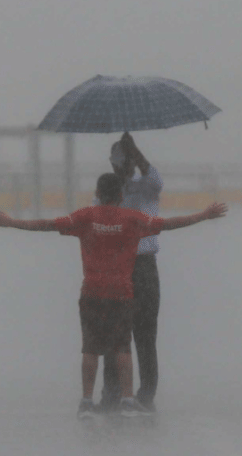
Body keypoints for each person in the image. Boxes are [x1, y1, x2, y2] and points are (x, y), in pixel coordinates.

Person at [0, 172, 226, 420]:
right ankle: (127, 400)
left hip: (92, 292)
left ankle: (87, 402)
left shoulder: (85, 217)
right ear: (121, 195)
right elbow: (167, 224)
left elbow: (46, 225)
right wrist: (203, 216)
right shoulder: (133, 219)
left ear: (98, 194)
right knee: (122, 348)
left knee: (90, 349)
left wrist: (11, 222)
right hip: (121, 294)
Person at [100, 132, 163, 412]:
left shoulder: (147, 185)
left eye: (128, 162)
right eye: (121, 163)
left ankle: (146, 394)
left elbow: (155, 179)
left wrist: (135, 150)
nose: (125, 168)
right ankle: (111, 394)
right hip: (118, 267)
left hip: (145, 265)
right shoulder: (107, 192)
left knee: (145, 335)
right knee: (115, 334)